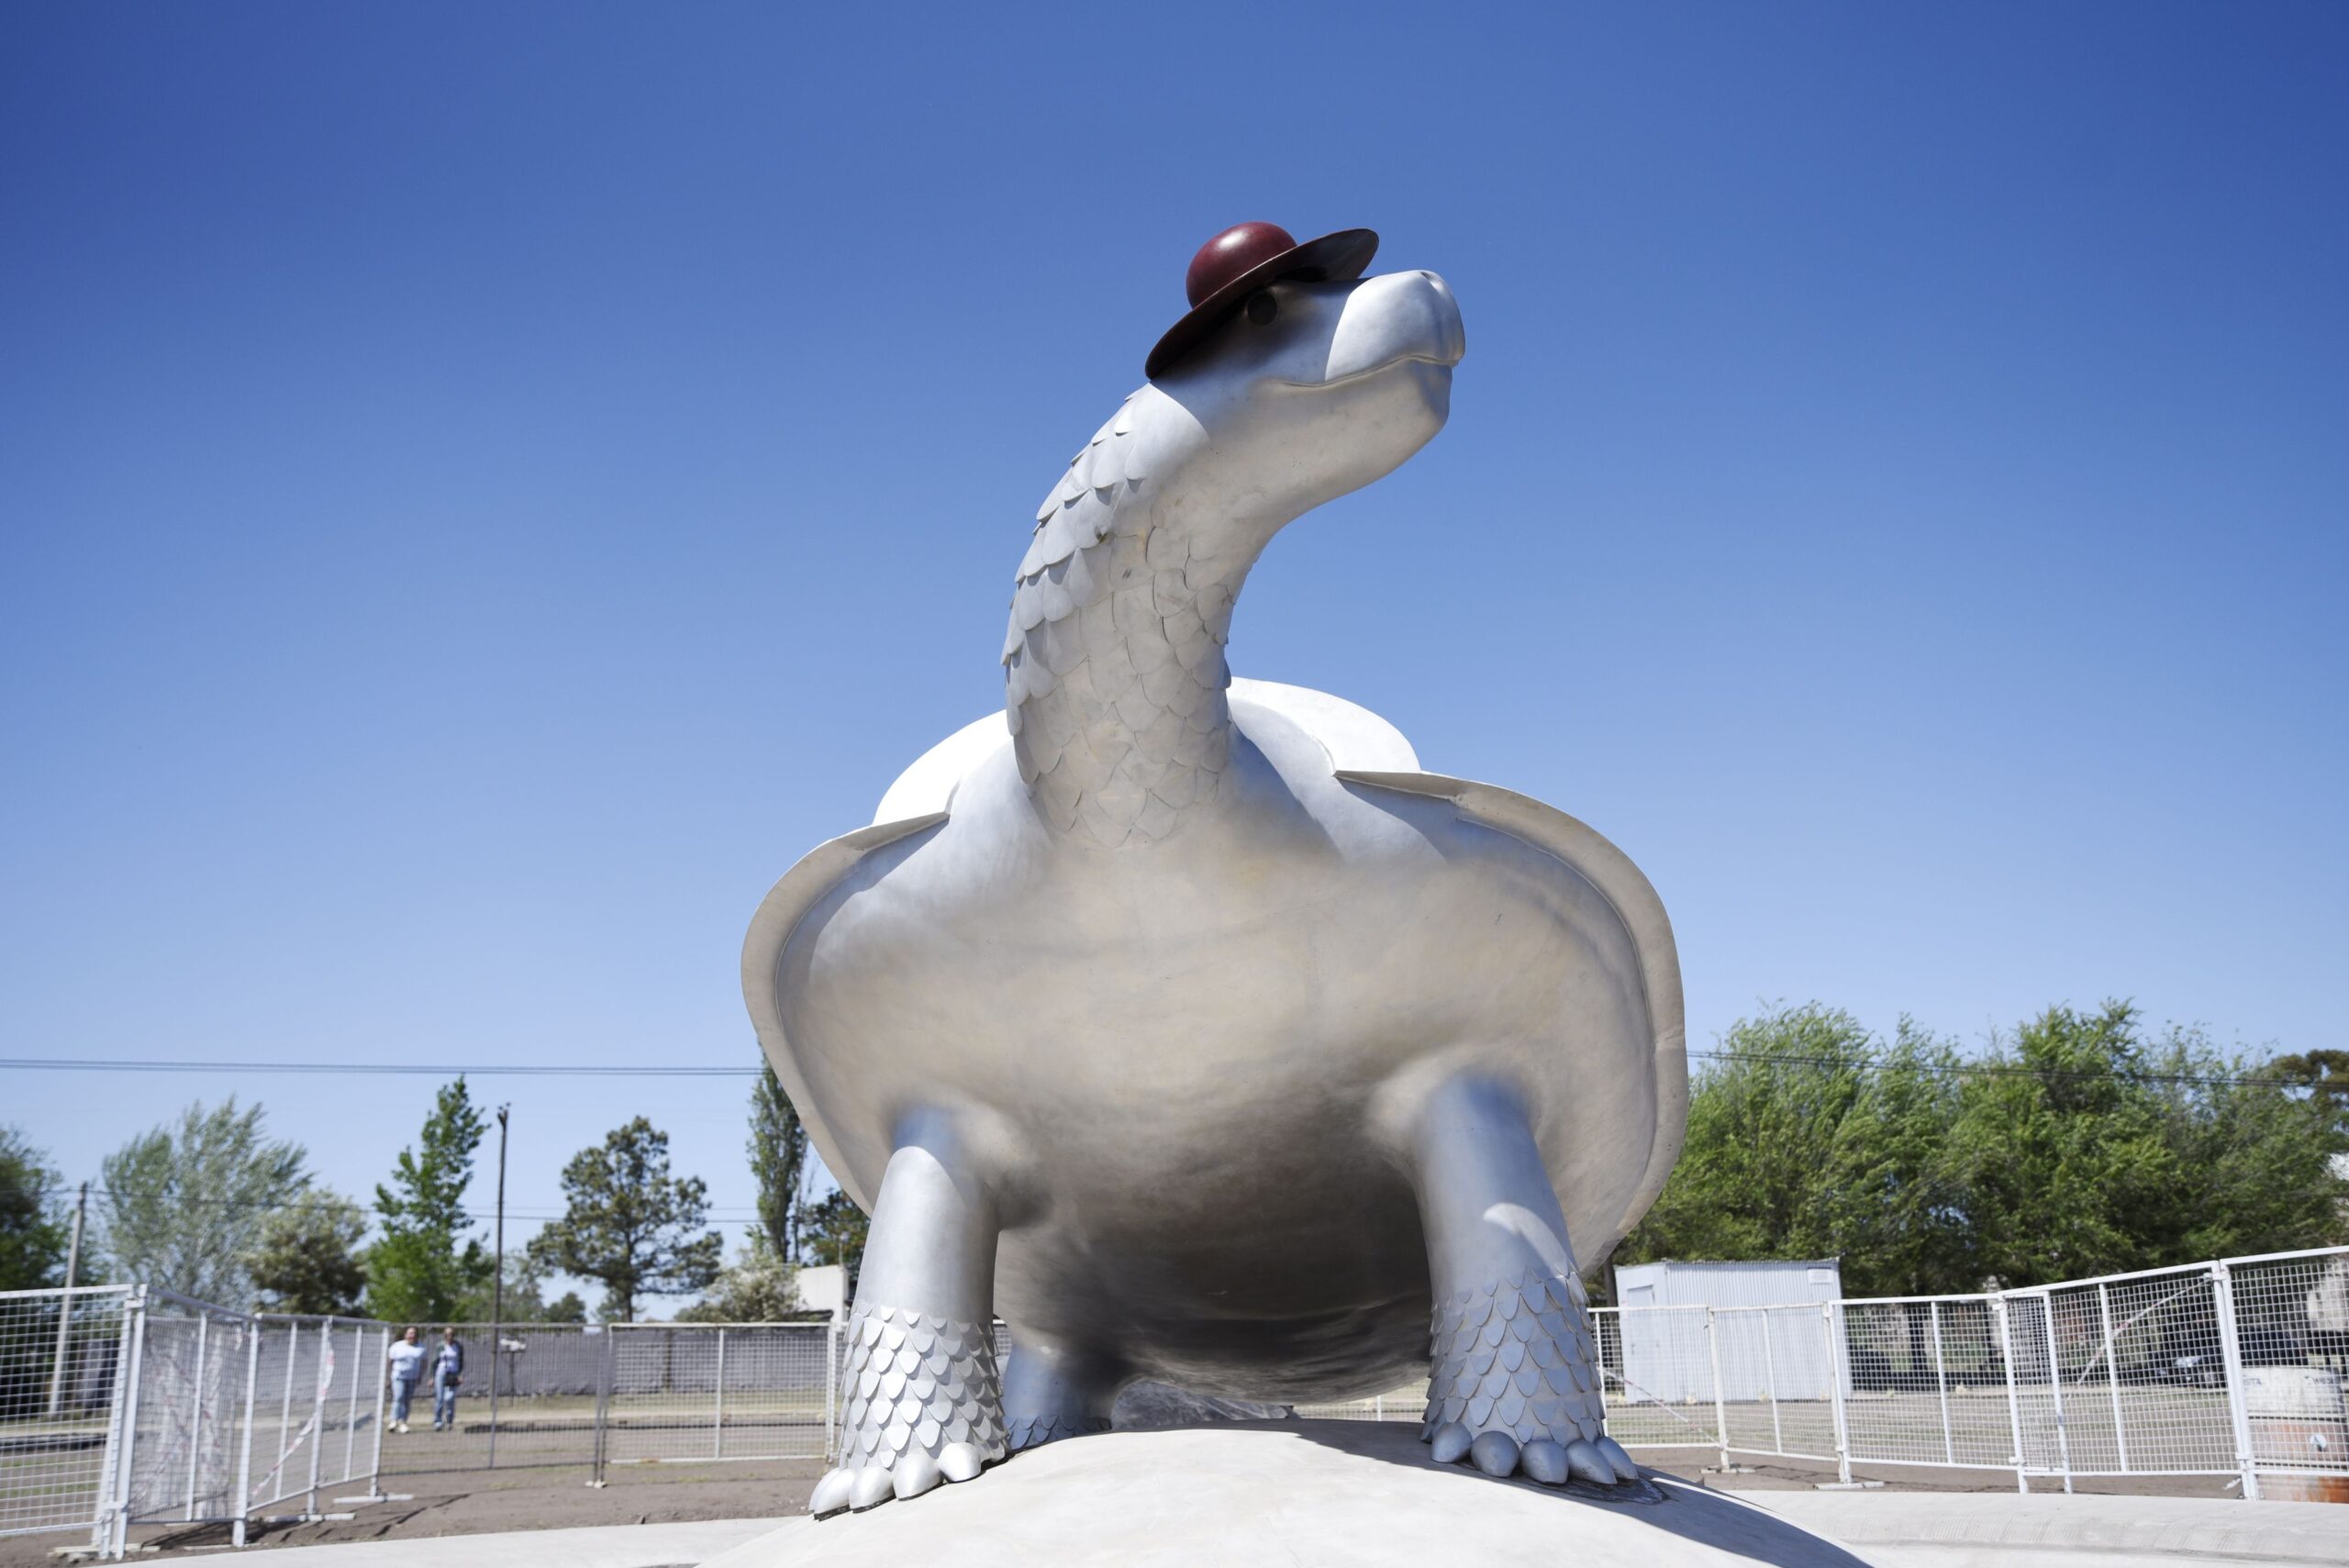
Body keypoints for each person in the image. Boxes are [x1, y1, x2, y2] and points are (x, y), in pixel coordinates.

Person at [384, 1327, 424, 1434]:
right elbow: (390, 1362)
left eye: (414, 1333)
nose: (412, 1335)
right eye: (410, 1333)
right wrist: (388, 1377)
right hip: (398, 1376)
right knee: (399, 1397)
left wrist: (421, 1375)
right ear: (406, 1335)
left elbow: (424, 1362)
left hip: (412, 1377)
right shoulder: (397, 1346)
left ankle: (403, 1422)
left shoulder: (421, 1347)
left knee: (407, 1400)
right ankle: (393, 1421)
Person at [431, 1327, 465, 1433]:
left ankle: (449, 1420)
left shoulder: (458, 1346)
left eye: (451, 1334)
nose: (449, 1337)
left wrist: (460, 1374)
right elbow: (434, 1361)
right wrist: (432, 1377)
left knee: (449, 1398)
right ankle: (438, 1422)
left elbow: (461, 1361)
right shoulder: (440, 1346)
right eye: (447, 1334)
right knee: (440, 1398)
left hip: (453, 1373)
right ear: (444, 1335)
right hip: (441, 1373)